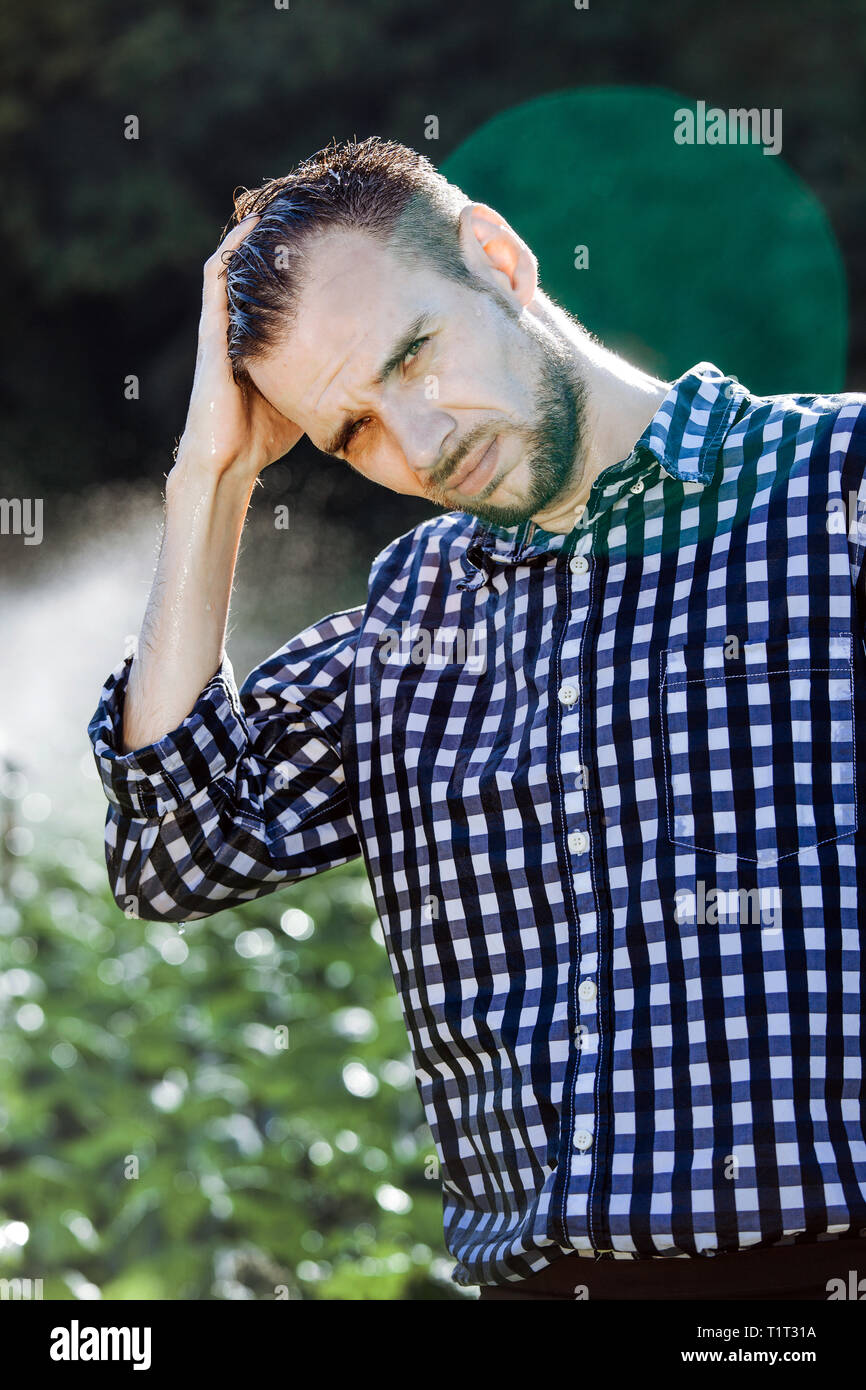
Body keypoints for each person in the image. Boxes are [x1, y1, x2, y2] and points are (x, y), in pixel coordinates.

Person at [88, 135, 866, 1300]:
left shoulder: (834, 487)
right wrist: (210, 481)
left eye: (415, 355)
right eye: (351, 431)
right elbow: (174, 850)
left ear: (496, 258)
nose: (421, 441)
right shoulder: (409, 624)